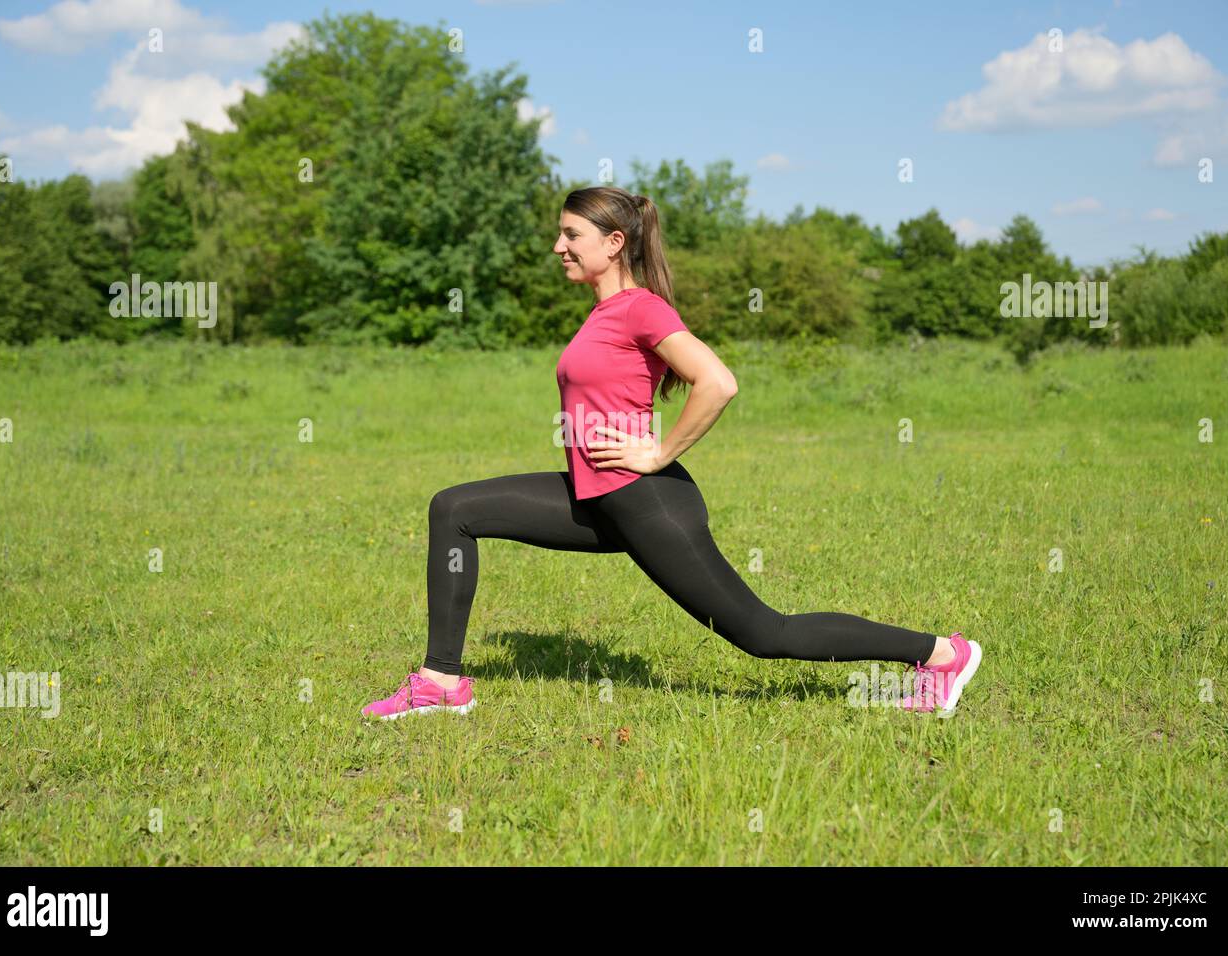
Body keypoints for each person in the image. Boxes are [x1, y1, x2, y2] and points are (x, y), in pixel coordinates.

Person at [361, 186, 982, 721]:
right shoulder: (605, 312)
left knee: (763, 633)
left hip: (644, 499)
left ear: (614, 243)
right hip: (594, 497)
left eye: (571, 235)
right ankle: (441, 683)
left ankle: (942, 655)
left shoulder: (640, 308)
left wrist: (659, 453)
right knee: (455, 509)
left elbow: (718, 382)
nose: (558, 247)